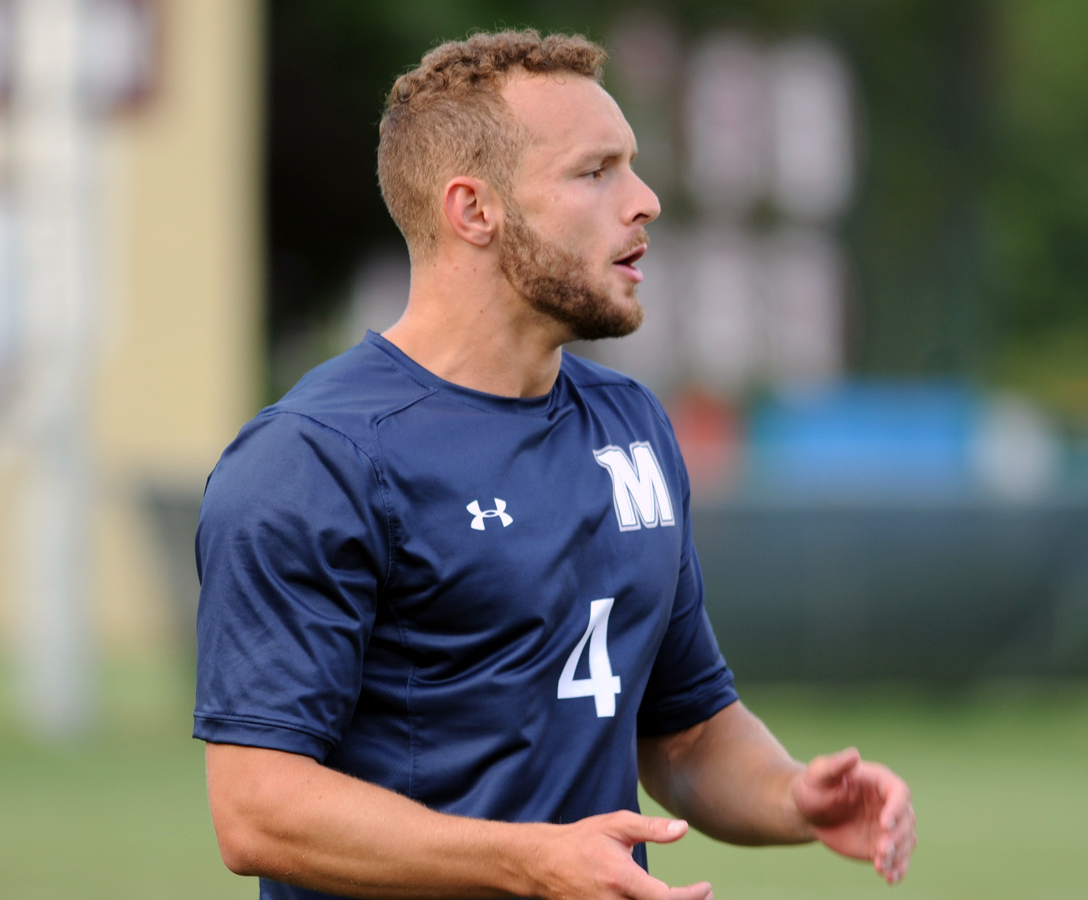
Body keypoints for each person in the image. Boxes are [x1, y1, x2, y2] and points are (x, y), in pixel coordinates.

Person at [193, 29, 915, 900]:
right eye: (595, 171)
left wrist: (792, 795)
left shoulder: (632, 427)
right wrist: (526, 860)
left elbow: (684, 734)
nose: (643, 200)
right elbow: (258, 811)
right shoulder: (312, 458)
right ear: (474, 211)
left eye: (634, 166)